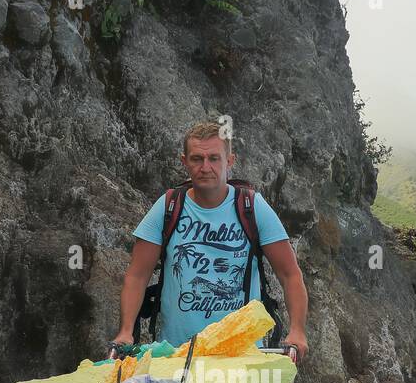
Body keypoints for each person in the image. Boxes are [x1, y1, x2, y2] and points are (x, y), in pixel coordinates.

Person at [111, 121, 309, 360]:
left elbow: (290, 274)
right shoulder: (169, 207)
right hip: (175, 355)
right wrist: (125, 332)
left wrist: (297, 331)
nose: (205, 167)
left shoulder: (252, 207)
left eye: (214, 158)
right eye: (197, 159)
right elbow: (137, 275)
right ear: (184, 162)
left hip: (240, 355)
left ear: (230, 161)